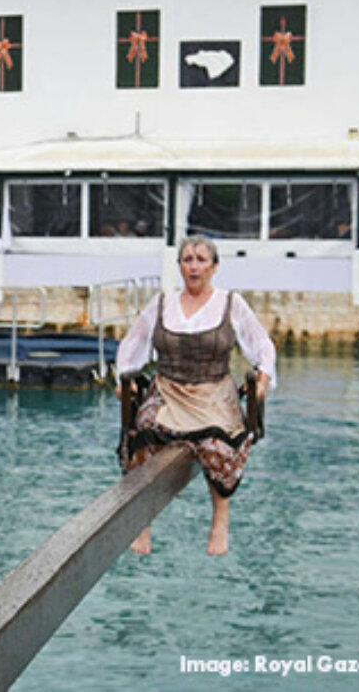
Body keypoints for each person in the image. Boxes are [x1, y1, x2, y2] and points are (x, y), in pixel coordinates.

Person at [114, 235, 275, 557]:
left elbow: (261, 344)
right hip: (169, 389)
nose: (194, 266)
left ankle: (220, 518)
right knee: (142, 431)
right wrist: (124, 378)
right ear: (180, 267)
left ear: (214, 267)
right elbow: (133, 343)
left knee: (218, 443)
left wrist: (263, 377)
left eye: (201, 259)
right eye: (188, 260)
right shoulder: (162, 304)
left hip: (213, 390)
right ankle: (142, 520)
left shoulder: (231, 303)